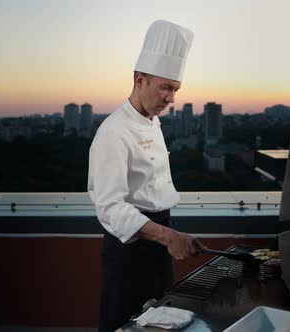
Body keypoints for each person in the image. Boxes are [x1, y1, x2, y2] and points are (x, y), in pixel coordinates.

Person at [87, 20, 205, 332]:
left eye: (175, 90)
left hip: (159, 237)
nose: (171, 99)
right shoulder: (113, 131)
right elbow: (110, 208)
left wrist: (171, 234)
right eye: (165, 87)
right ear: (140, 79)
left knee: (159, 321)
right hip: (131, 248)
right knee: (124, 323)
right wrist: (168, 237)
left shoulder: (151, 121)